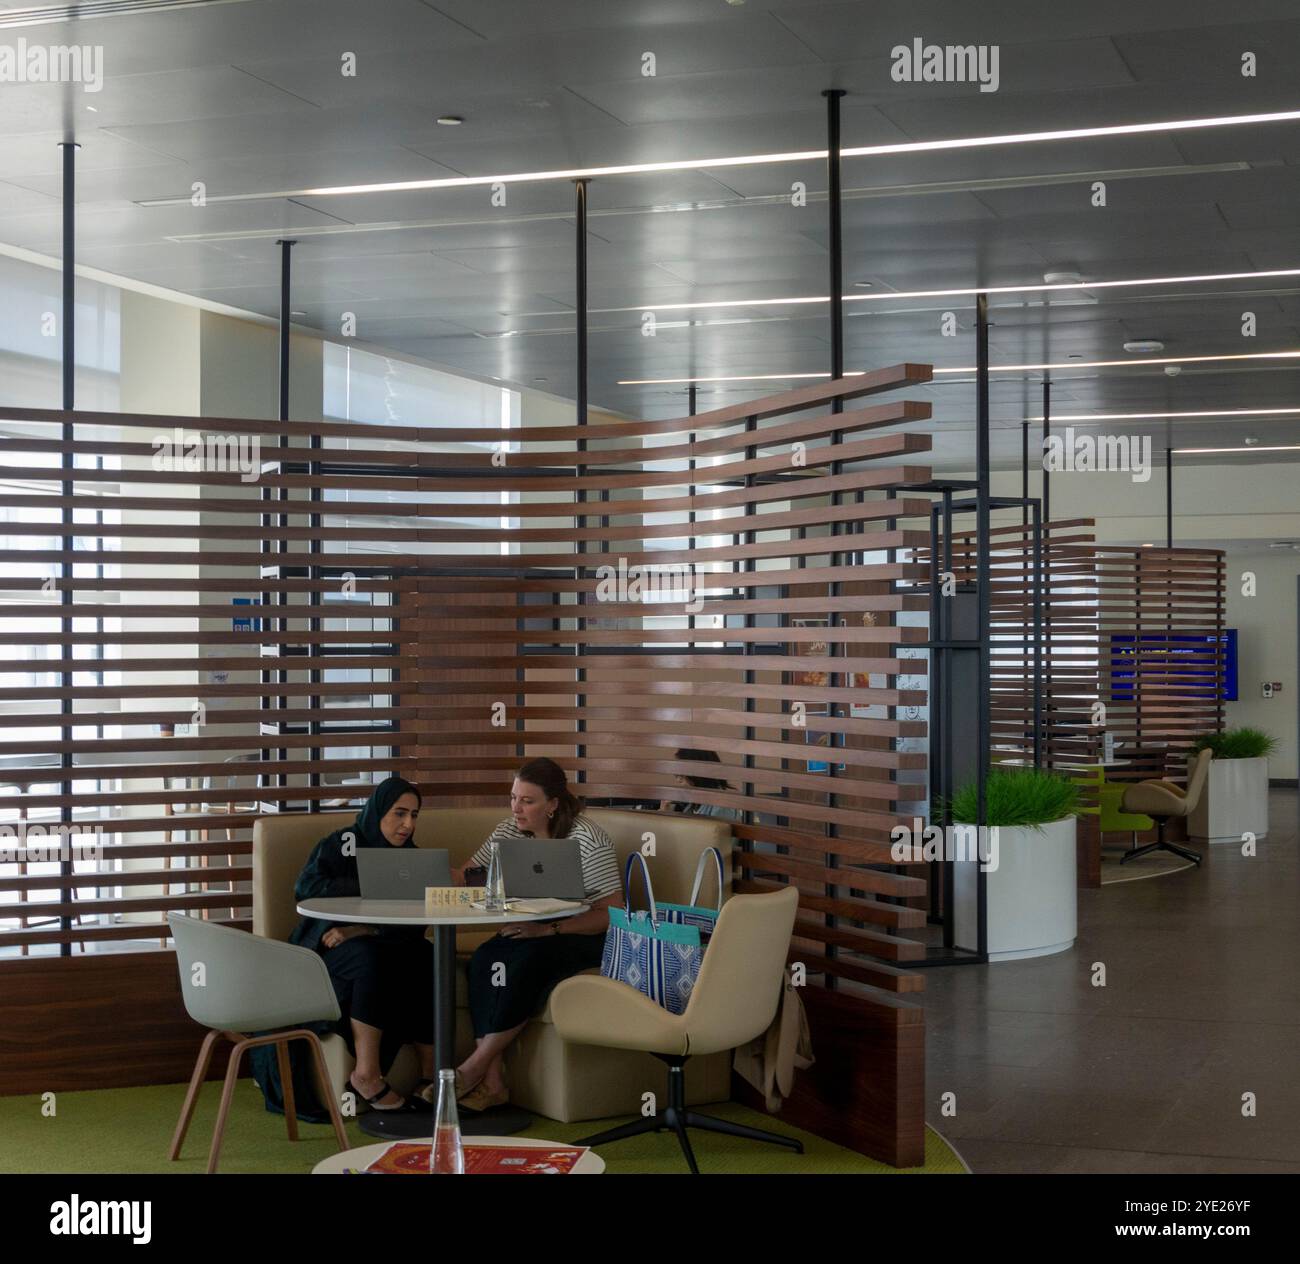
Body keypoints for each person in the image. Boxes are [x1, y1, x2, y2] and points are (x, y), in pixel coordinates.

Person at [452, 758, 622, 1113]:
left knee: (526, 962)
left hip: (580, 933)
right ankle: (494, 1082)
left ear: (554, 804)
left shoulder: (588, 839)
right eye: (513, 798)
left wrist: (547, 930)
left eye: (527, 801)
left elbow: (610, 914)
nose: (516, 808)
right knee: (486, 958)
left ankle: (473, 1067)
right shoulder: (508, 832)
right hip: (526, 930)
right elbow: (467, 875)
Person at [288, 776, 435, 1113]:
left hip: (378, 941)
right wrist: (369, 885)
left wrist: (364, 927)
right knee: (372, 958)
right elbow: (306, 887)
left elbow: (416, 921)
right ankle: (366, 1074)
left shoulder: (410, 857)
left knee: (426, 955)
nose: (408, 824)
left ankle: (430, 1073)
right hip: (326, 945)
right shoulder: (344, 842)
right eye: (399, 813)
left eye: (414, 815)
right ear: (379, 809)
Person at [658, 747, 741, 821]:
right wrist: (665, 813)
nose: (678, 780)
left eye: (681, 773)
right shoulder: (694, 804)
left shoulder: (722, 805)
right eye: (676, 774)